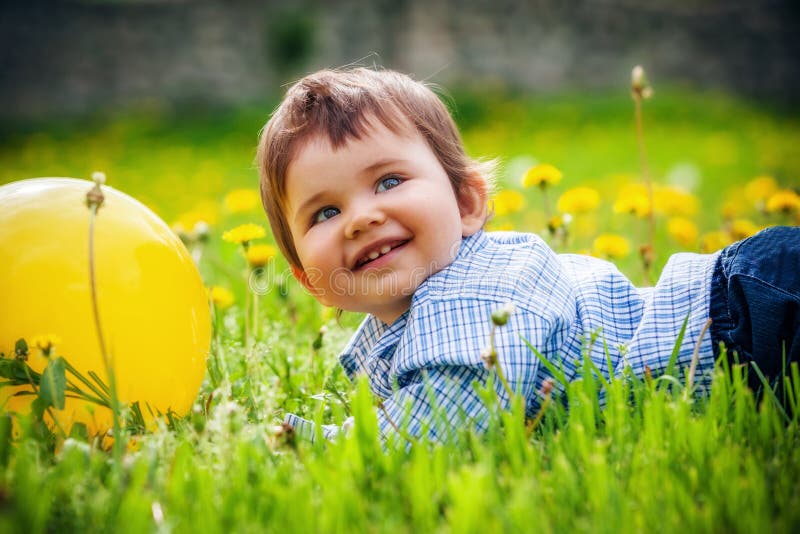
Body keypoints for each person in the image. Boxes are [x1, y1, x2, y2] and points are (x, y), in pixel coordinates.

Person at [256, 67, 800, 444]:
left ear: (467, 202)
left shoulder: (475, 288)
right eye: (324, 213)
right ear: (308, 279)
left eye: (389, 180)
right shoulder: (387, 334)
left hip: (752, 318)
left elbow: (444, 422)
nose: (360, 218)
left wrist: (313, 444)